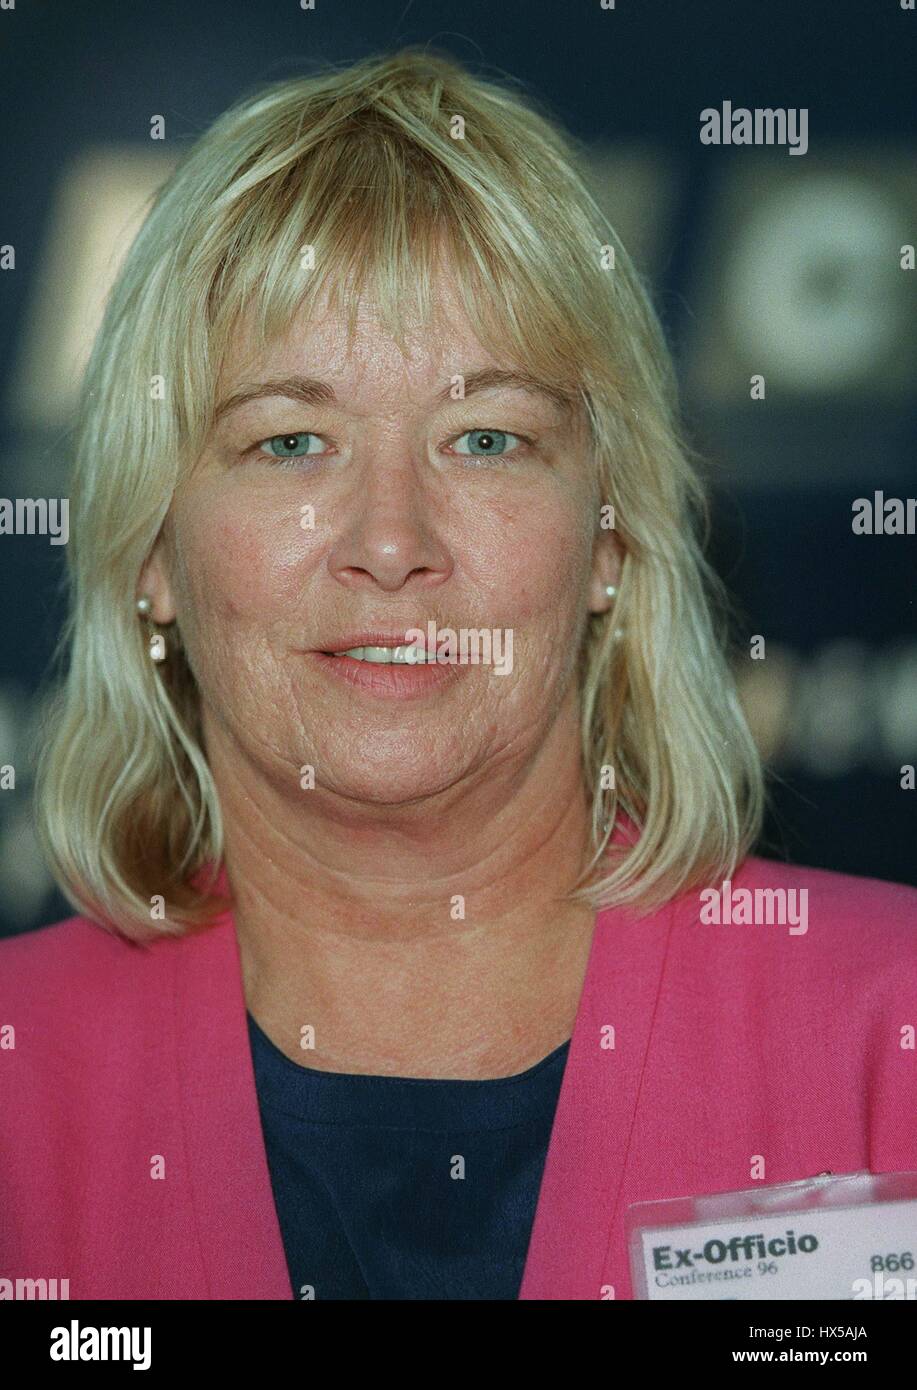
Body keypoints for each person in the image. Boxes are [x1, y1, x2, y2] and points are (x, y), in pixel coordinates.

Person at [1, 48, 914, 1302]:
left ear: (608, 538)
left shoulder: (886, 1033)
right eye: (290, 441)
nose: (391, 543)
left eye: (485, 438)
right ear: (151, 548)